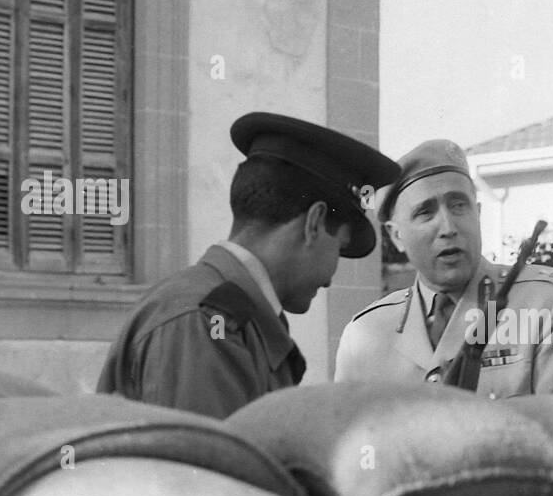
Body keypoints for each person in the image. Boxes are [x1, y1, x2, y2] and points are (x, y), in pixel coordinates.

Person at [97, 112, 398, 419]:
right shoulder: (203, 323)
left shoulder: (228, 317)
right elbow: (212, 464)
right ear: (315, 223)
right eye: (339, 246)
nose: (331, 278)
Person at [335, 139, 553, 400]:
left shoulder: (549, 304)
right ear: (396, 236)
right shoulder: (364, 335)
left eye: (458, 205)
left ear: (478, 214)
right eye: (425, 212)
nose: (449, 227)